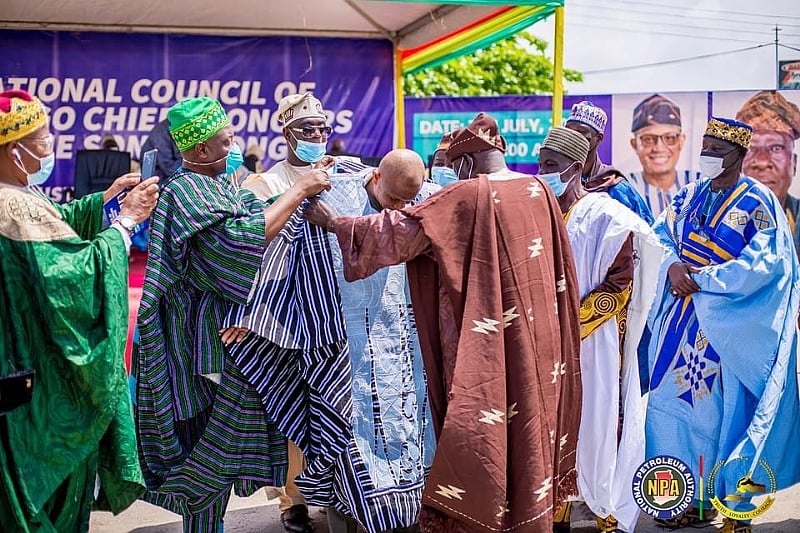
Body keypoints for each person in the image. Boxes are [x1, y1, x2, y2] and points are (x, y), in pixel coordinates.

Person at [305, 112, 583, 533]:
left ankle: (487, 519)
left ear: (466, 165)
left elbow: (401, 232)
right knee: (530, 431)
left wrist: (334, 222)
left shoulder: (467, 196)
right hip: (541, 346)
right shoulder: (539, 189)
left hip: (489, 346)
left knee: (483, 433)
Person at [134, 96, 330, 532]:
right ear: (200, 150)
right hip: (200, 348)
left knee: (221, 453)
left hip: (224, 339)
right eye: (228, 141)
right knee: (206, 452)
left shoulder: (216, 185)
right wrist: (299, 190)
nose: (235, 146)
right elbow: (242, 242)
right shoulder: (187, 192)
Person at [229, 149, 438, 533]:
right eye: (393, 199)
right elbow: (277, 248)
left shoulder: (423, 202)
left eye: (406, 201)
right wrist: (249, 313)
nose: (398, 209)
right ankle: (341, 514)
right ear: (376, 178)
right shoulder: (327, 196)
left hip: (401, 344)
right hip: (339, 345)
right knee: (343, 430)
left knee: (407, 430)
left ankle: (405, 511)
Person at [0, 89, 159, 531]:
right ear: (15, 152)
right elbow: (75, 276)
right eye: (43, 137)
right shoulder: (10, 205)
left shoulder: (17, 195)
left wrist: (103, 199)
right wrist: (125, 223)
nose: (50, 145)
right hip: (32, 383)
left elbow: (53, 222)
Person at [643, 118, 800, 533]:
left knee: (726, 416)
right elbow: (658, 235)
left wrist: (705, 281)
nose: (708, 156)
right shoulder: (690, 194)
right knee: (671, 411)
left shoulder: (759, 202)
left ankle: (731, 503)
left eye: (717, 150)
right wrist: (673, 265)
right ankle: (683, 502)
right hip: (679, 327)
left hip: (728, 332)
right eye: (705, 147)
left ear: (739, 156)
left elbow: (768, 265)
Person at [538, 127, 663, 533]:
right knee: (555, 433)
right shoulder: (541, 213)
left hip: (597, 345)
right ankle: (557, 516)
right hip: (548, 350)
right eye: (540, 164)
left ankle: (607, 512)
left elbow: (621, 284)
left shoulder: (609, 215)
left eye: (551, 166)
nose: (543, 173)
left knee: (600, 425)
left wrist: (570, 327)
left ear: (575, 168)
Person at [565, 100, 654, 224]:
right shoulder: (559, 180)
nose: (573, 137)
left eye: (581, 132)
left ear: (598, 138)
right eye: (569, 131)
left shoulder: (614, 186)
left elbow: (646, 230)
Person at [735, 90, 800, 255]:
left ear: (794, 163)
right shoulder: (713, 218)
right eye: (750, 148)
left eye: (776, 148)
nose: (762, 162)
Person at [626, 94, 697, 217]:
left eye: (669, 138)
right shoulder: (625, 189)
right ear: (634, 144)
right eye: (648, 139)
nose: (659, 148)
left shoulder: (700, 184)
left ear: (681, 141)